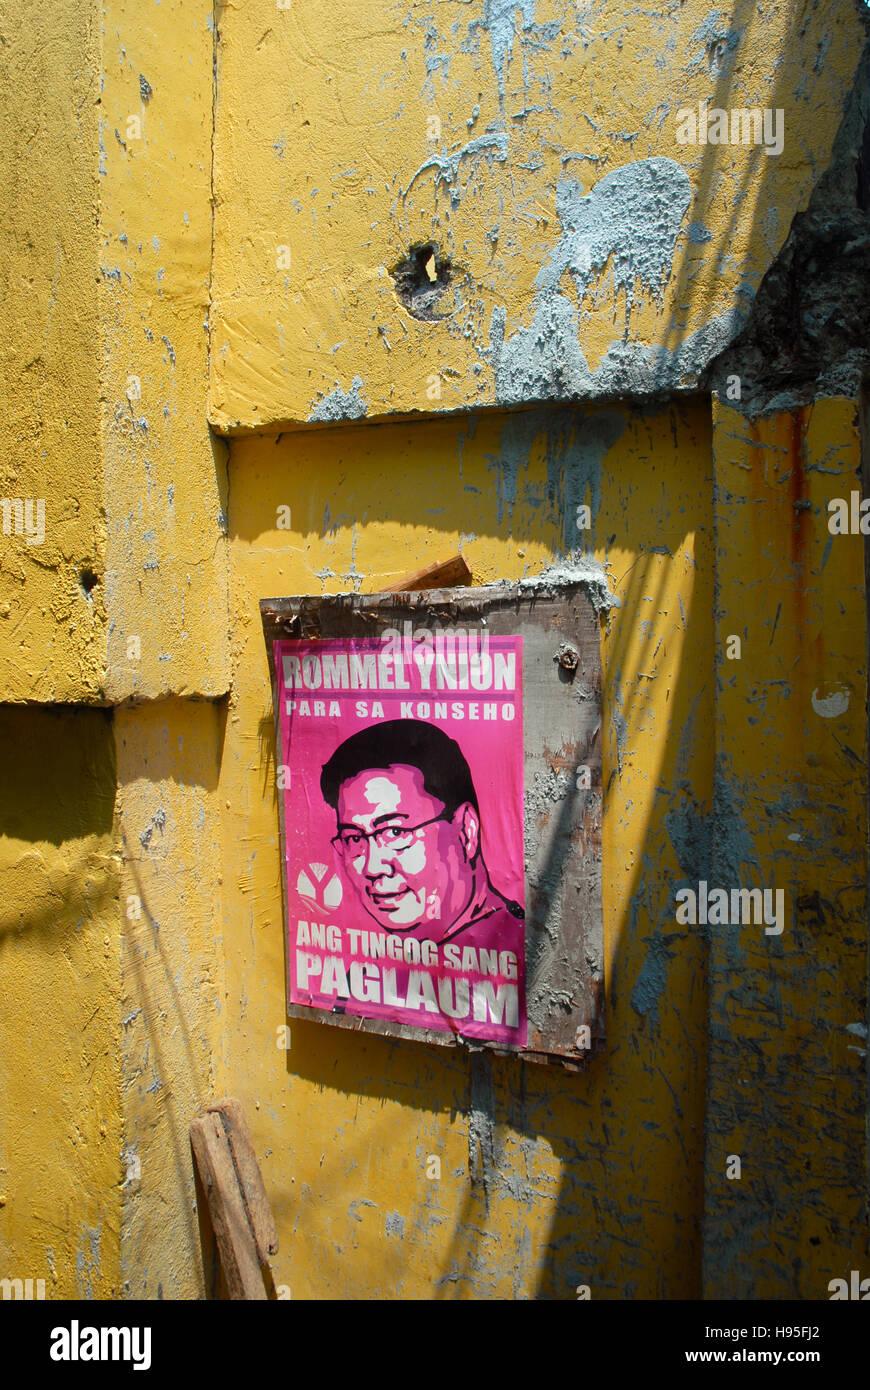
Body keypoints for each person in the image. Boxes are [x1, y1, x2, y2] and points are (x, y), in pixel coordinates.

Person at [319, 719, 523, 951]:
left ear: (467, 831)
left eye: (395, 832)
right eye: (354, 839)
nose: (373, 867)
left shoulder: (518, 954)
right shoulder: (364, 977)